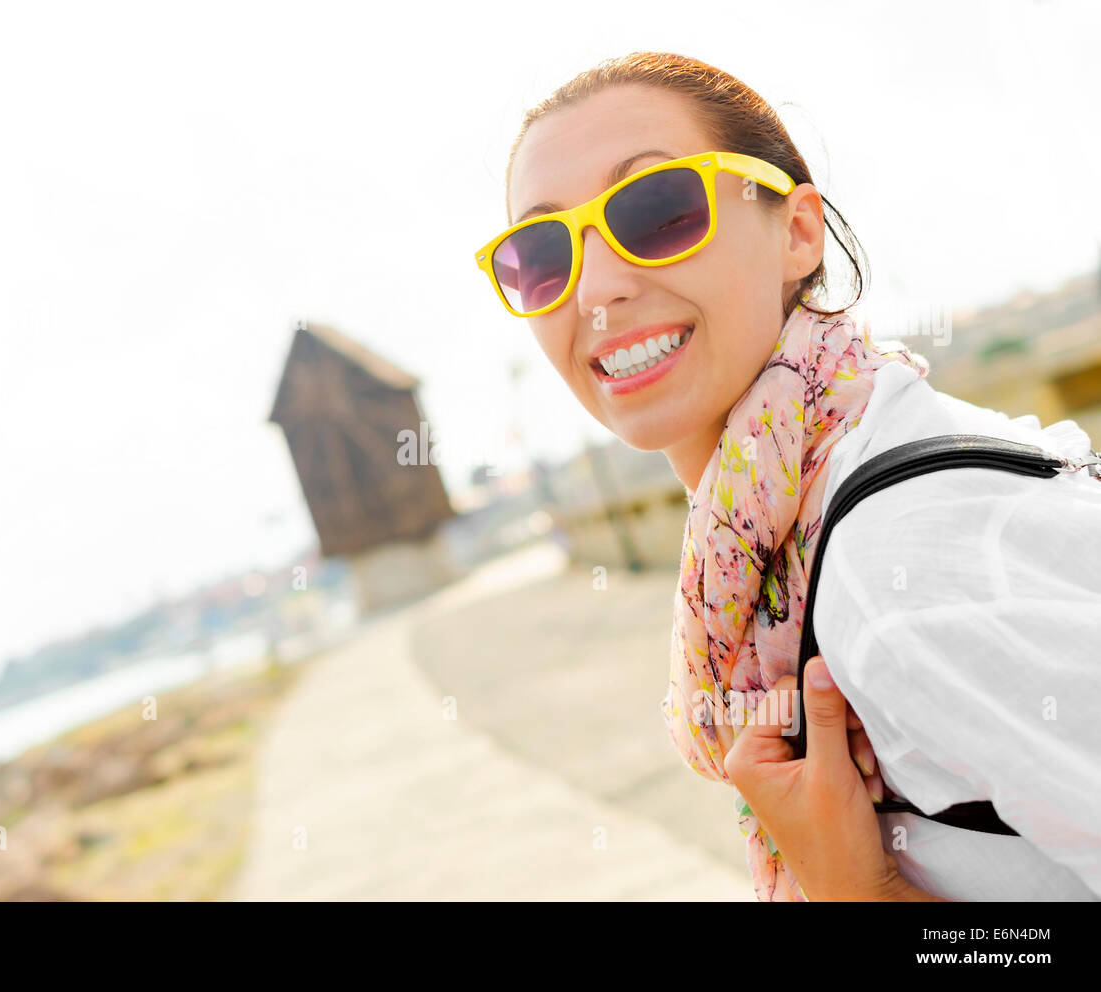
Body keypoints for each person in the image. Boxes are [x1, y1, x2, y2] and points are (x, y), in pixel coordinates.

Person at [472, 51, 1101, 901]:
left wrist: (864, 893)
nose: (598, 289)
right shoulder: (818, 533)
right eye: (542, 255)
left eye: (657, 209)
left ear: (798, 232)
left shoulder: (892, 582)